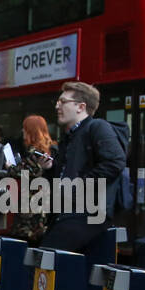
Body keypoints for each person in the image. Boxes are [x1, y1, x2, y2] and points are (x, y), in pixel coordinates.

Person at [37, 81, 126, 255]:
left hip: (89, 213)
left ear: (81, 107)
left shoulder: (98, 127)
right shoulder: (69, 136)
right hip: (67, 212)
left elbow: (114, 162)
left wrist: (77, 186)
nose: (57, 106)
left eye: (63, 101)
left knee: (46, 258)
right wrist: (49, 168)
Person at [2, 115, 55, 244]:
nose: (23, 131)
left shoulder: (34, 152)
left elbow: (22, 172)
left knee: (25, 238)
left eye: (25, 129)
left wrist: (10, 167)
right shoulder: (51, 149)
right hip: (45, 200)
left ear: (31, 131)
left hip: (31, 203)